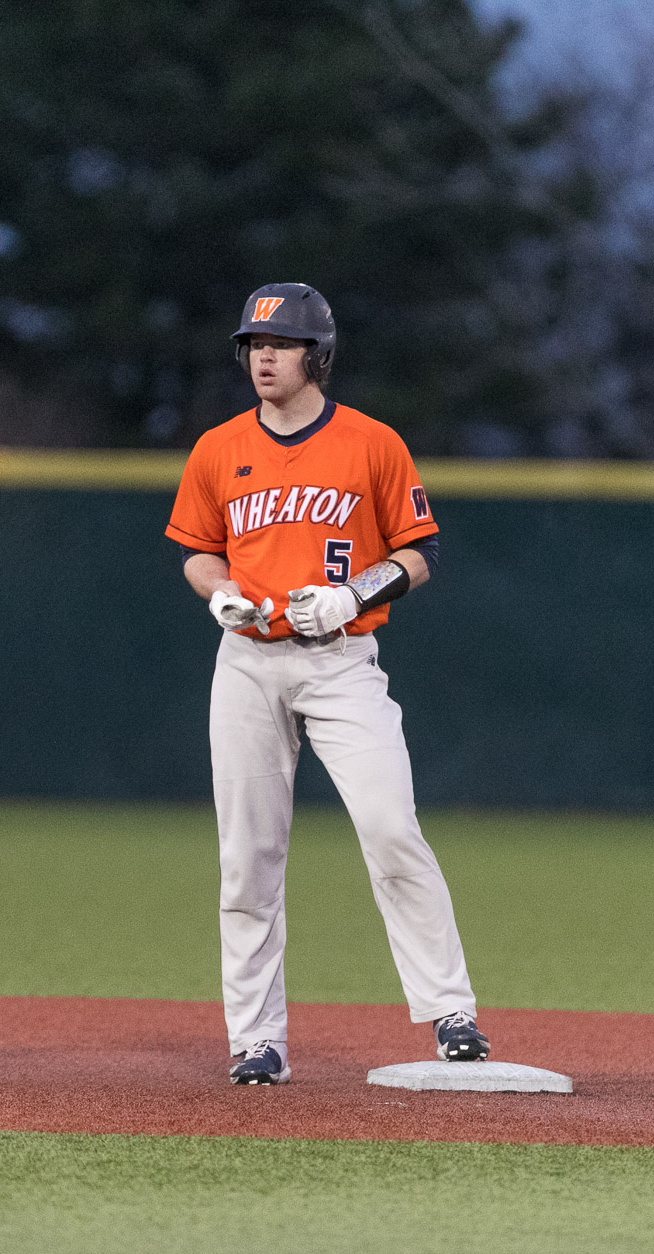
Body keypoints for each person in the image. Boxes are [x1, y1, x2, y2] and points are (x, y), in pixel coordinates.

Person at [165, 282, 489, 1085]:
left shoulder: (373, 444)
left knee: (389, 826)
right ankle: (256, 1041)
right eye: (253, 345)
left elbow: (422, 553)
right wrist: (220, 594)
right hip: (247, 663)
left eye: (280, 344)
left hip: (341, 660)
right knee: (248, 858)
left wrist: (354, 593)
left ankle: (451, 1010)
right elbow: (199, 551)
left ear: (319, 354)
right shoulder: (216, 449)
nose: (263, 356)